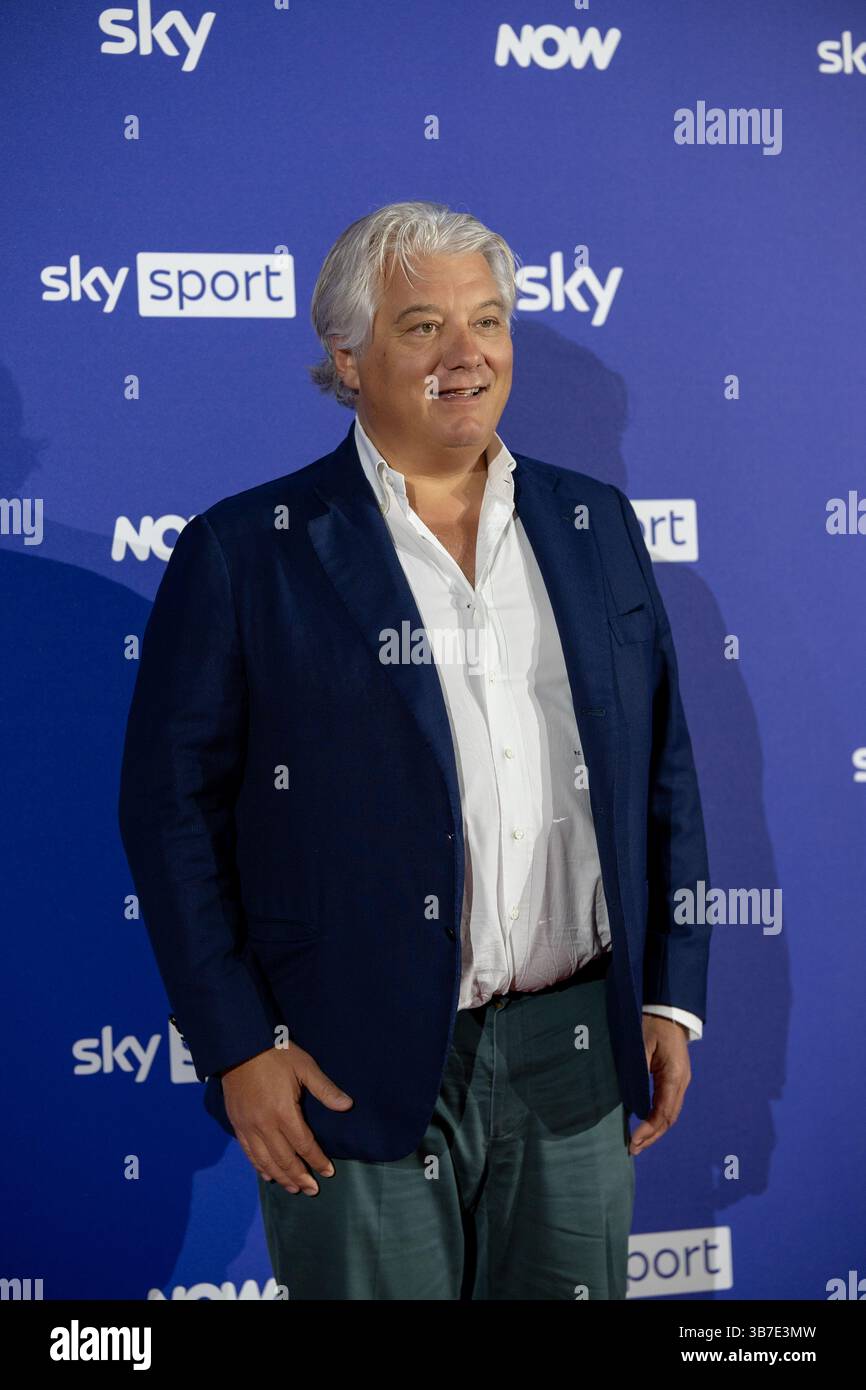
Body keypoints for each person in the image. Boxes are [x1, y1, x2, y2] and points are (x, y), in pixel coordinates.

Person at [118, 200, 711, 1300]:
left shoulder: (595, 526)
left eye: (488, 321)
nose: (466, 354)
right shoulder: (247, 552)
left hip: (572, 1053)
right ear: (345, 358)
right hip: (348, 1061)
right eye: (421, 325)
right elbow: (170, 818)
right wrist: (239, 1046)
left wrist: (669, 995)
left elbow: (660, 770)